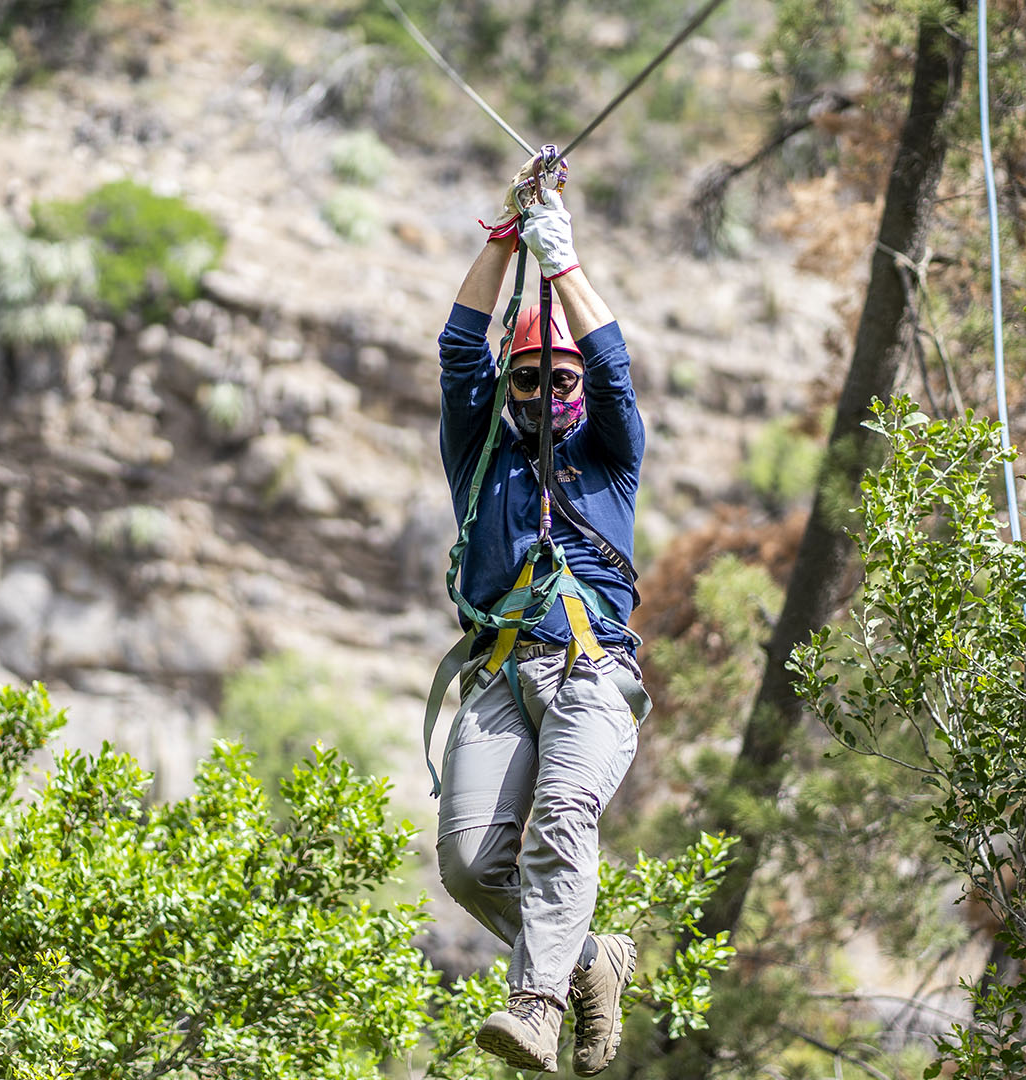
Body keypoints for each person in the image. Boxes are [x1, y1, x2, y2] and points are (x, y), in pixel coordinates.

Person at [431, 158, 649, 1076]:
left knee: (563, 816)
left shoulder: (609, 459)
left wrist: (562, 263)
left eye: (556, 377)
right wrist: (504, 239)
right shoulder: (482, 454)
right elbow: (457, 350)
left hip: (592, 672)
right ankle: (591, 956)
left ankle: (538, 1001)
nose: (542, 393)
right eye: (525, 379)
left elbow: (611, 364)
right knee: (472, 866)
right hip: (497, 674)